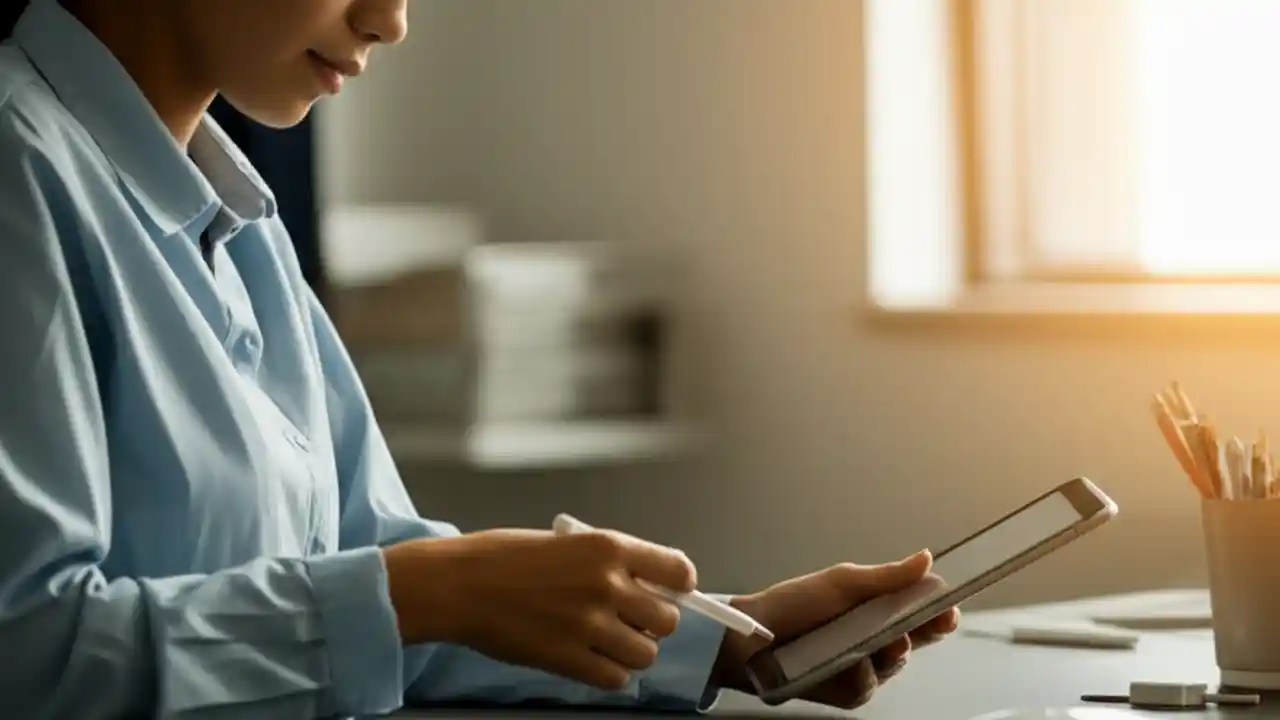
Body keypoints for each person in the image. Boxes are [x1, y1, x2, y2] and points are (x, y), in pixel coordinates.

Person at [0, 1, 960, 717]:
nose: (392, 20)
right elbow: (28, 653)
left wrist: (718, 638)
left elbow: (373, 591)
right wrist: (430, 590)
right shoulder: (19, 174)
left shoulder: (239, 224)